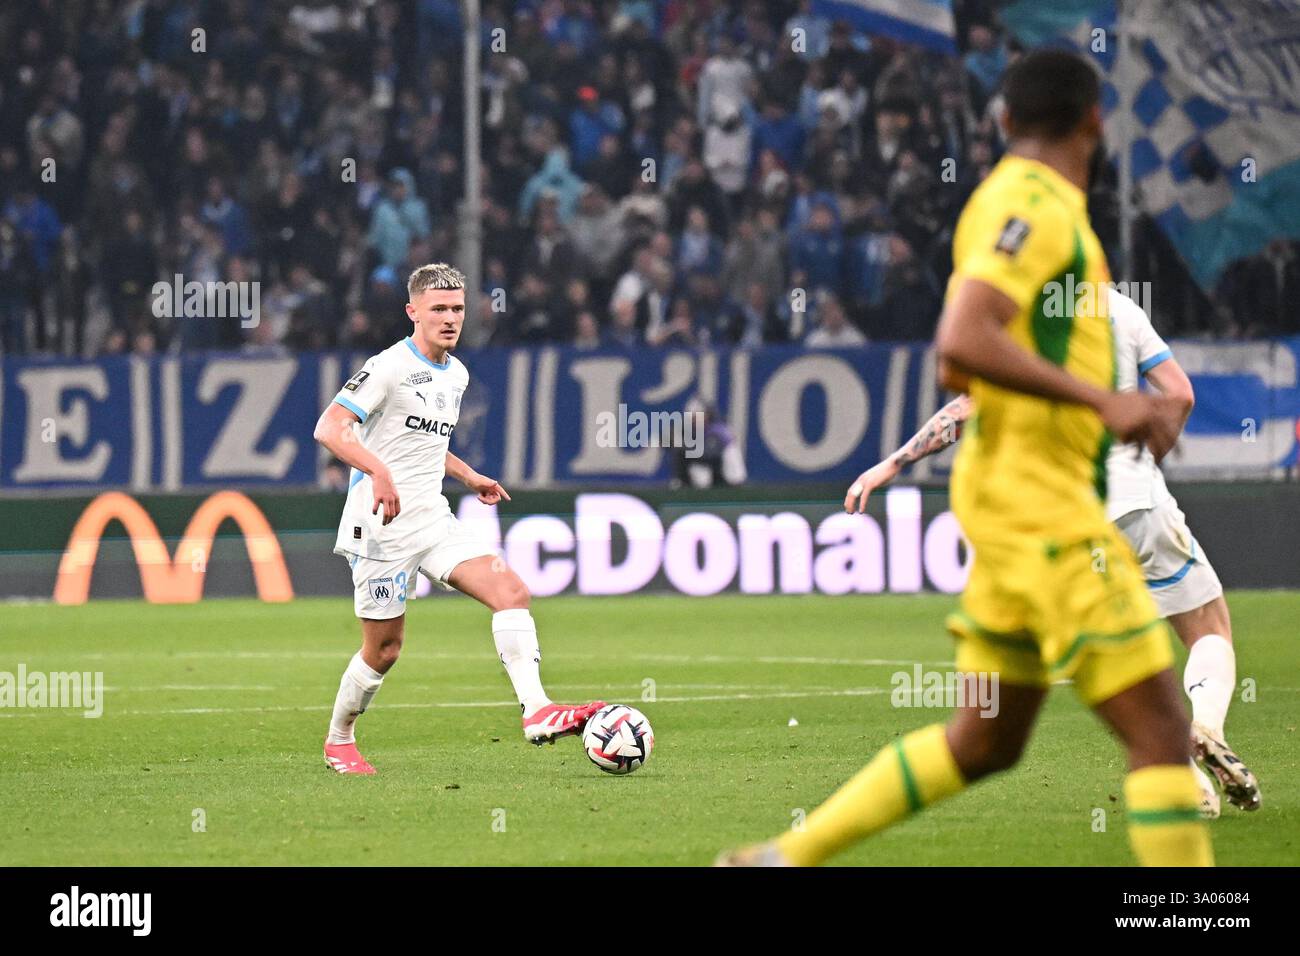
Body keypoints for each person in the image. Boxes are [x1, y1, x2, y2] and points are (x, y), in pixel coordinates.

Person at [719, 50, 1211, 867]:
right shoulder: (1036, 205)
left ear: (1004, 120)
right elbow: (962, 345)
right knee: (1162, 728)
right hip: (1045, 514)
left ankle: (780, 860)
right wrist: (1108, 401)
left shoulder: (1011, 203)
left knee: (984, 740)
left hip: (1012, 507)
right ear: (1095, 120)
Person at [840, 288, 1261, 819]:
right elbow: (1180, 395)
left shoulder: (1026, 318)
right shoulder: (1121, 309)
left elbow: (970, 407)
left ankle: (1187, 777)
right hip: (1139, 504)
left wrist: (892, 465)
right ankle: (1206, 727)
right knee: (1207, 628)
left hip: (1071, 517)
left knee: (1119, 668)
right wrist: (1145, 463)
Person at [313, 263, 603, 774]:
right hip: (380, 526)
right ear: (413, 313)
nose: (450, 319)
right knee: (384, 651)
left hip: (432, 519)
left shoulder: (458, 373)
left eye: (457, 309)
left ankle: (537, 711)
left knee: (510, 591)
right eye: (438, 310)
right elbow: (331, 429)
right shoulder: (387, 367)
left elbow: (426, 442)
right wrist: (378, 472)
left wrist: (470, 476)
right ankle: (339, 739)